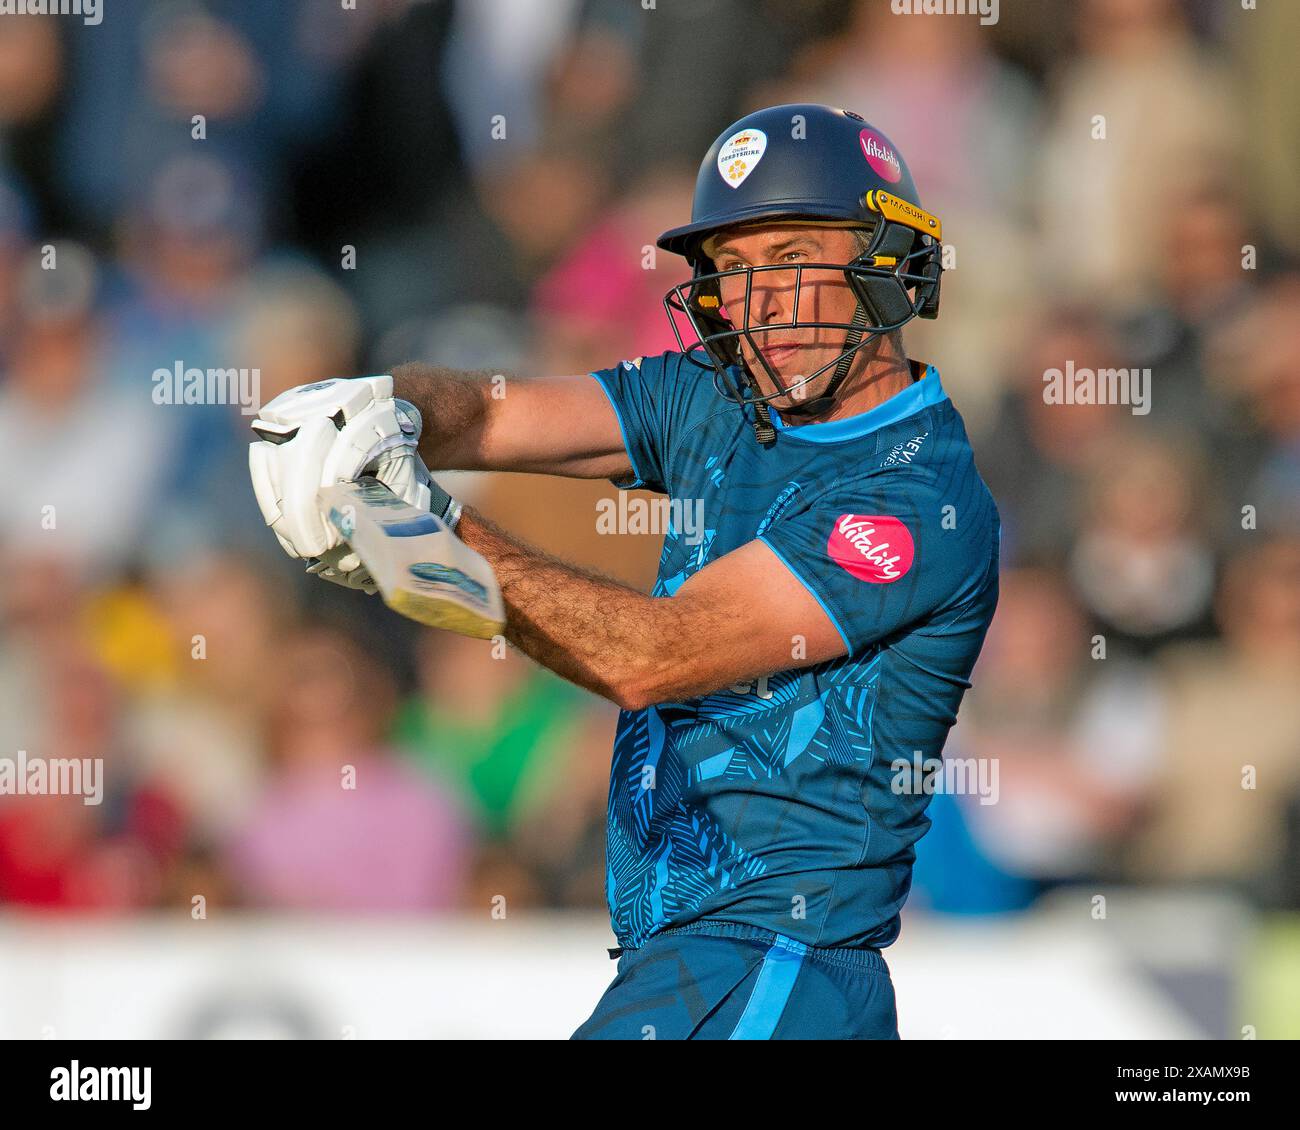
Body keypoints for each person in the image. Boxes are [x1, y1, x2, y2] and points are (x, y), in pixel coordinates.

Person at [249, 104, 1000, 1039]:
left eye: (792, 257)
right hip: (694, 964)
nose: (760, 303)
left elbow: (653, 655)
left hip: (772, 963)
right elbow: (489, 413)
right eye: (733, 269)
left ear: (889, 263)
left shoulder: (916, 494)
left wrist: (431, 533)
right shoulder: (717, 394)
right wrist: (376, 407)